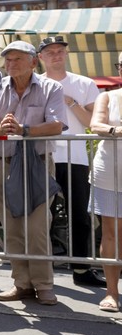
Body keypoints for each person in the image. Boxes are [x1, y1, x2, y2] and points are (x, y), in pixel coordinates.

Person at [0, 40, 65, 307]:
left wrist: (24, 130)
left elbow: (57, 125)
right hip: (1, 163)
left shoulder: (50, 87)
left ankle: (44, 285)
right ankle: (21, 283)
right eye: (8, 60)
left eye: (17, 59)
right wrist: (3, 126)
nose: (11, 64)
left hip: (37, 163)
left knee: (37, 227)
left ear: (34, 62)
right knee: (10, 226)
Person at [37, 35, 105, 287]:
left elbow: (91, 123)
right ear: (40, 57)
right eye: (50, 52)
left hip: (74, 157)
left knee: (80, 215)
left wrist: (71, 102)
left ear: (66, 54)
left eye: (60, 51)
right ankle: (42, 272)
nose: (56, 55)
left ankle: (81, 269)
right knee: (42, 215)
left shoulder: (84, 83)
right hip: (42, 156)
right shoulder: (34, 83)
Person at [89, 75, 122, 312]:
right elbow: (96, 125)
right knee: (110, 234)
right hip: (108, 174)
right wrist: (117, 130)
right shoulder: (107, 96)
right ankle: (112, 293)